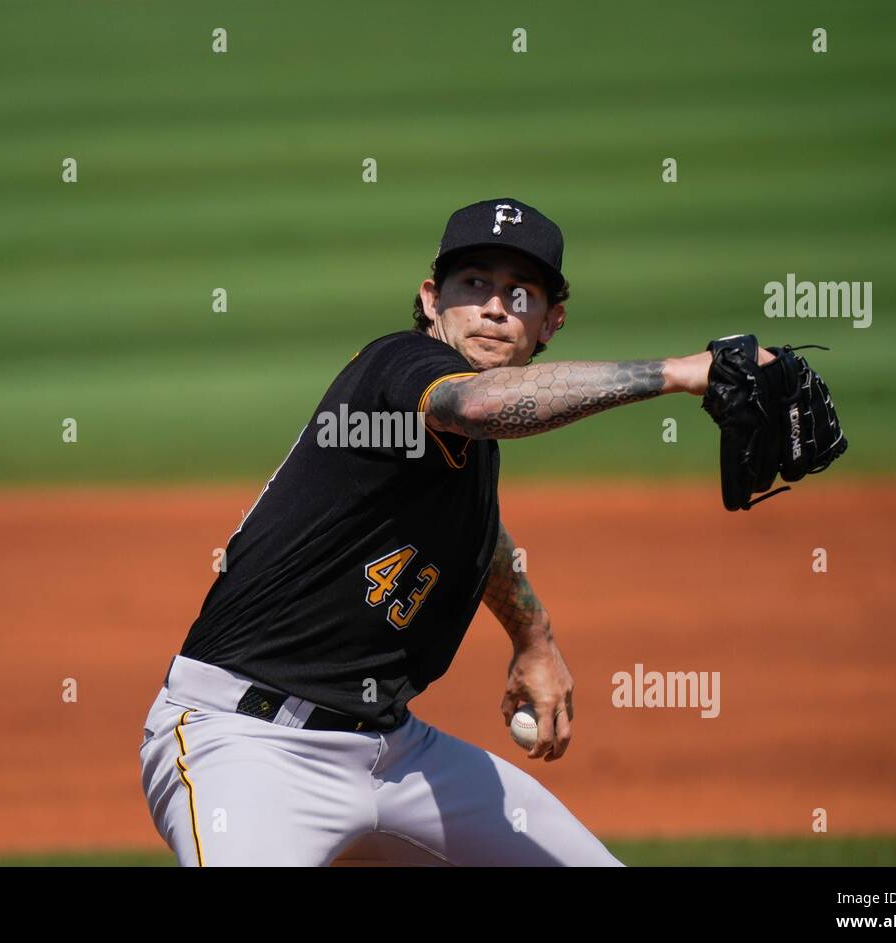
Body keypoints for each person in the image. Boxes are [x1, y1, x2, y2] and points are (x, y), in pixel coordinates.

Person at [139, 197, 772, 866]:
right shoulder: (398, 368)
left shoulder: (469, 448)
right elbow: (475, 406)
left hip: (396, 755)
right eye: (474, 284)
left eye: (519, 293)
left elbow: (480, 530)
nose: (495, 307)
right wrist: (677, 374)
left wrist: (534, 637)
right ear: (431, 298)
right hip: (247, 745)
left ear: (551, 322)